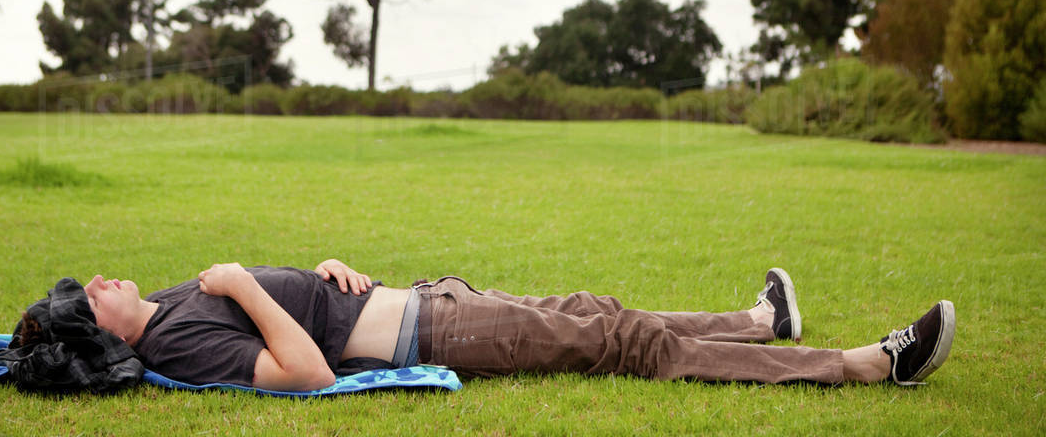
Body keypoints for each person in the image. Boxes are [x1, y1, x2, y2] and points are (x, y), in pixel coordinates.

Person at [74, 259, 955, 392]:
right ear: (107, 336)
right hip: (430, 339)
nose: (105, 279)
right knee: (620, 341)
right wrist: (248, 288)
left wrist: (332, 267)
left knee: (598, 313)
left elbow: (301, 303)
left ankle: (763, 320)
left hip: (422, 299)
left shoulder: (183, 296)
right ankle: (863, 366)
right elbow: (306, 375)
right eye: (93, 295)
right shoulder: (177, 344)